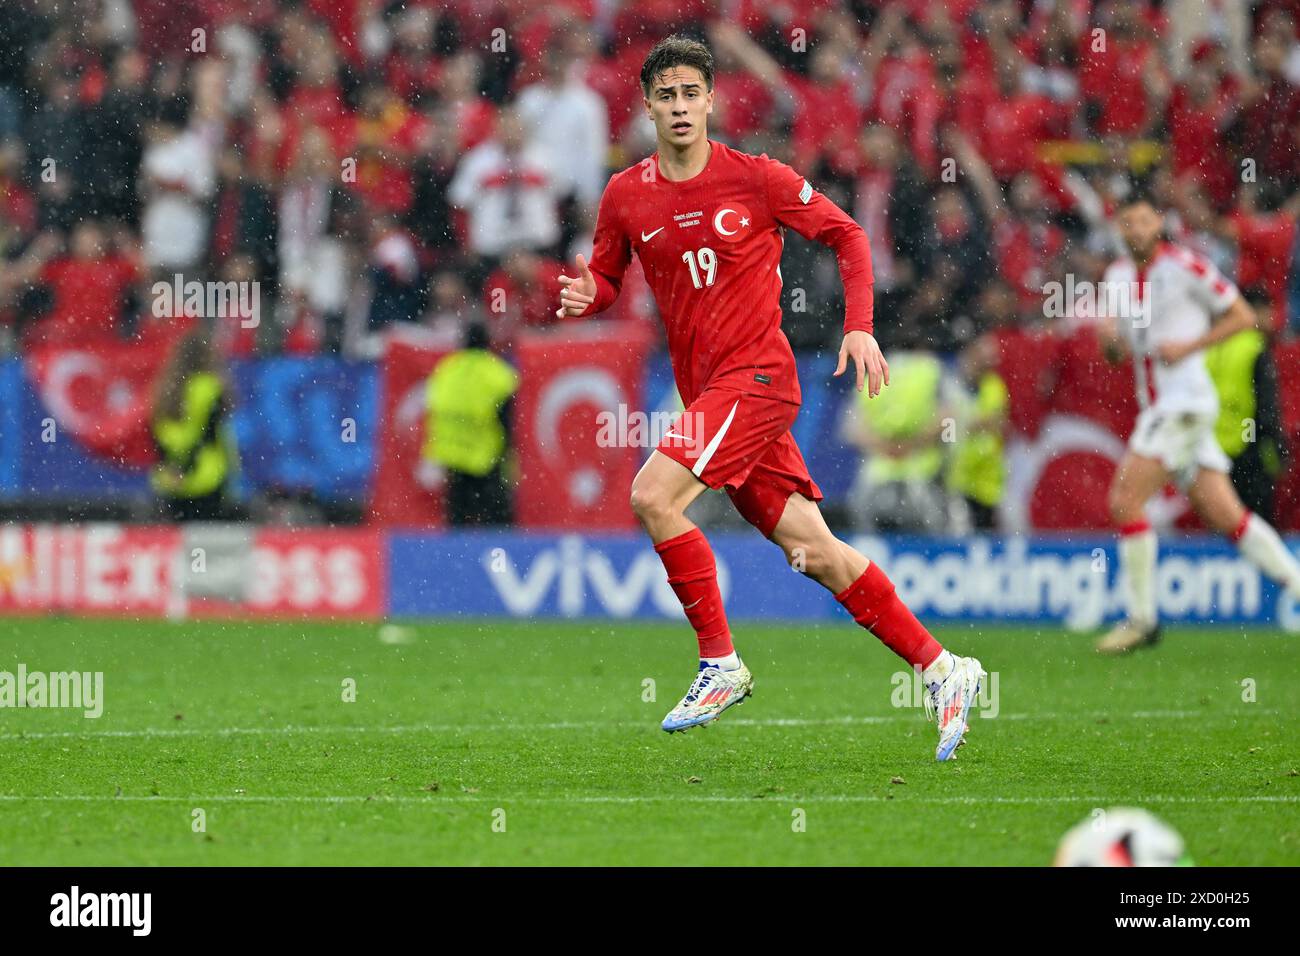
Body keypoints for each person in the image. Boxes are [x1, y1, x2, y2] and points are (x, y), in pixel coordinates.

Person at [555, 35, 984, 761]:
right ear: (649, 106)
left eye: (693, 92)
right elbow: (605, 276)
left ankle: (720, 663)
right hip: (709, 394)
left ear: (711, 100)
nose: (681, 106)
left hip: (757, 378)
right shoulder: (626, 194)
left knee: (654, 497)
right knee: (816, 552)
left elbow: (848, 236)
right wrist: (583, 294)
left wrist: (860, 329)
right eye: (668, 95)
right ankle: (945, 671)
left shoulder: (756, 178)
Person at [1096, 192, 1300, 653]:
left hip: (1184, 404)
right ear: (1118, 229)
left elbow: (1243, 315)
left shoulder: (1185, 267)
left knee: (1125, 500)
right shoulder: (1118, 277)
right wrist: (1108, 340)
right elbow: (1115, 352)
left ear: (1159, 222)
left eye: (1144, 220)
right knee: (1230, 518)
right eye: (1127, 223)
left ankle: (1142, 620)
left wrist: (1189, 348)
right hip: (1161, 408)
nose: (1136, 230)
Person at [421, 322, 518, 526]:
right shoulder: (497, 373)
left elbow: (433, 408)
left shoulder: (446, 369)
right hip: (485, 456)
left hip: (452, 455)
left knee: (457, 517)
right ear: (489, 342)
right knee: (496, 519)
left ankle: (455, 555)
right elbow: (507, 417)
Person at [151, 331, 235, 522]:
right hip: (207, 474)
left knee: (177, 540)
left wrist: (173, 467)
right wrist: (188, 467)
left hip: (171, 478)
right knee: (204, 541)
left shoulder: (166, 388)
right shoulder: (209, 387)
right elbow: (206, 433)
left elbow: (158, 436)